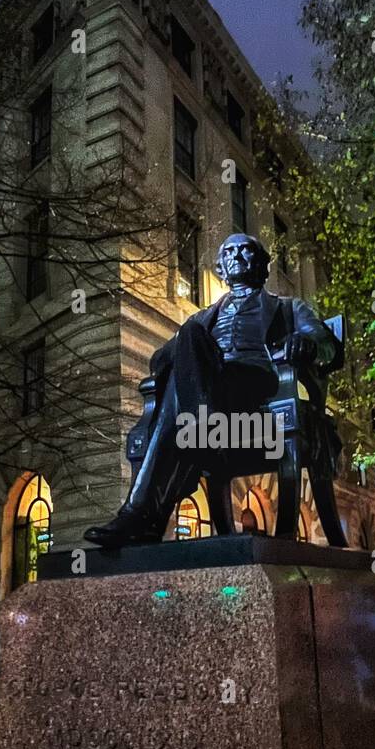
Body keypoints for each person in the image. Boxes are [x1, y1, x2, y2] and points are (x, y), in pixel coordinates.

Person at [84, 233, 340, 546]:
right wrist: (184, 351)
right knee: (189, 335)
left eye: (246, 251)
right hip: (212, 392)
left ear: (261, 265)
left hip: (258, 386)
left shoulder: (287, 307)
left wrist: (306, 343)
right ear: (220, 267)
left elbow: (329, 347)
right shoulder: (203, 319)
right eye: (229, 252)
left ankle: (142, 513)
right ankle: (194, 434)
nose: (237, 257)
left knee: (179, 392)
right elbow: (157, 360)